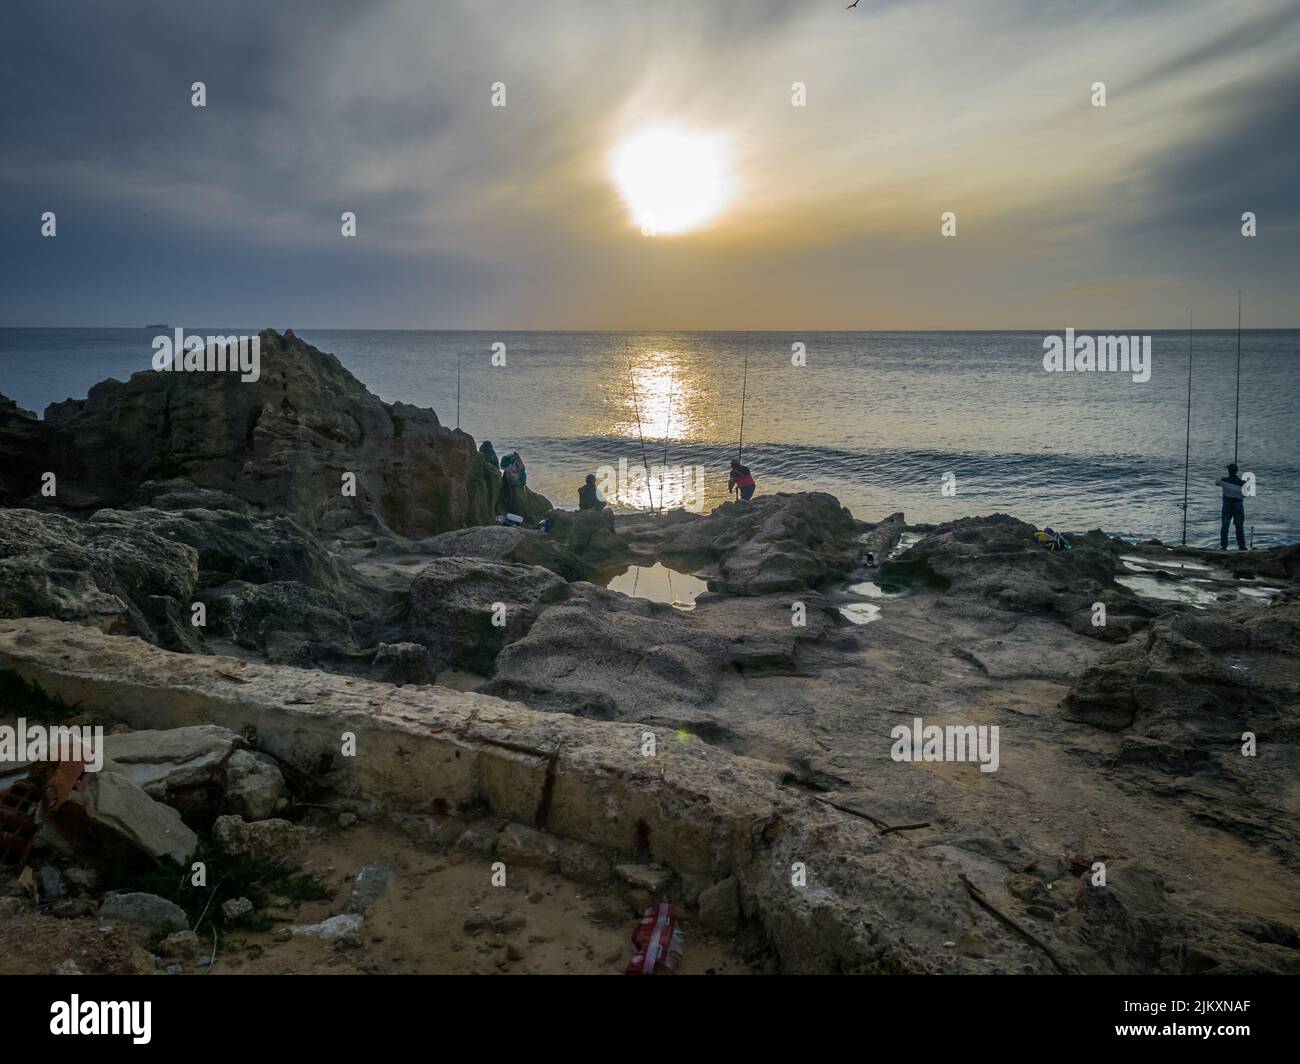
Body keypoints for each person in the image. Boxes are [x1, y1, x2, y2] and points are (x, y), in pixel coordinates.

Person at [1216, 462, 1247, 550]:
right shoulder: (1242, 483)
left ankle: (1224, 546)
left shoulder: (1224, 480)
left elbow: (1216, 482)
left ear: (1229, 471)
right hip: (1238, 505)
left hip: (1227, 505)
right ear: (1236, 471)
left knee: (1225, 525)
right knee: (1239, 526)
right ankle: (1242, 546)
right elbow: (1245, 495)